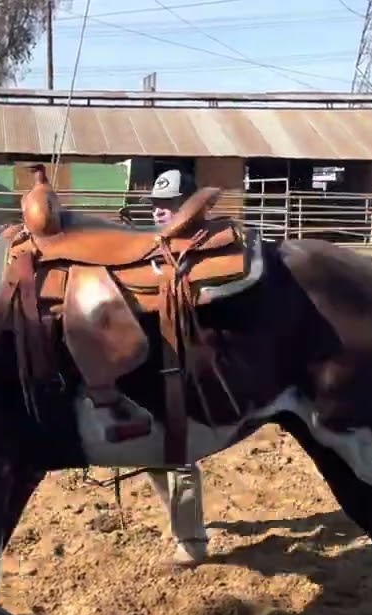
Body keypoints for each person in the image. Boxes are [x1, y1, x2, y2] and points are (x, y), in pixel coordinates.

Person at [145, 168, 208, 566]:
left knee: (178, 451)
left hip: (184, 364)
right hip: (155, 362)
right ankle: (184, 519)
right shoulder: (147, 248)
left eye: (168, 205)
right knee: (151, 451)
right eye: (156, 205)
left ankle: (192, 541)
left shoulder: (200, 253)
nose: (159, 211)